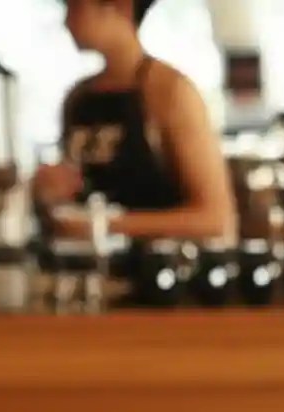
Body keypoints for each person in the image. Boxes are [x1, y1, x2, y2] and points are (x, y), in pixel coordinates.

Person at [32, 0, 233, 242]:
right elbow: (76, 192)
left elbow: (214, 218)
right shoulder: (78, 98)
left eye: (75, 7)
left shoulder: (169, 91)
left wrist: (105, 225)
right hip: (88, 270)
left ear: (118, 6)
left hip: (159, 270)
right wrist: (49, 193)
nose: (66, 22)